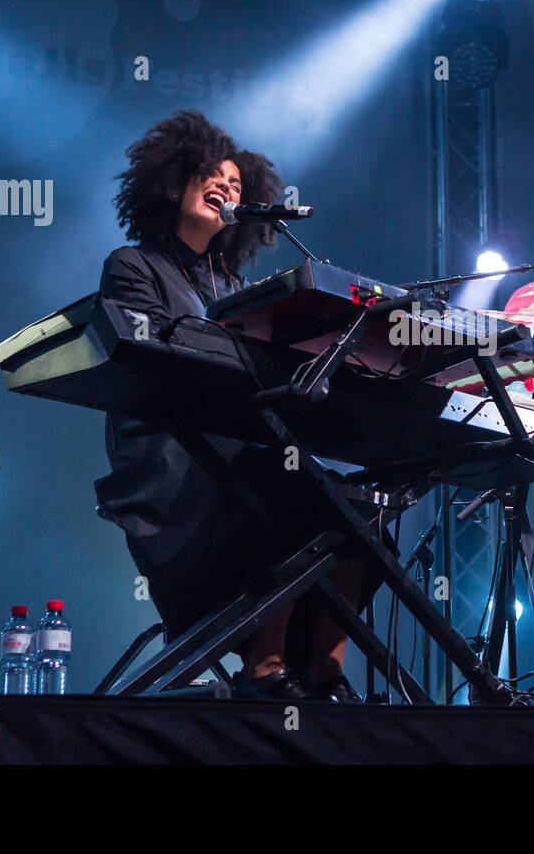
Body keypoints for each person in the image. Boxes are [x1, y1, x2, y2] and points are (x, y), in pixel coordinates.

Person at [93, 110, 366, 703]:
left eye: (238, 185)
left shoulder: (233, 289)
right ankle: (264, 670)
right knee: (284, 492)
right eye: (212, 177)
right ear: (174, 181)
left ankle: (324, 672)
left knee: (358, 513)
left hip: (236, 447)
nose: (226, 187)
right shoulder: (132, 265)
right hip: (170, 460)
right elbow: (154, 363)